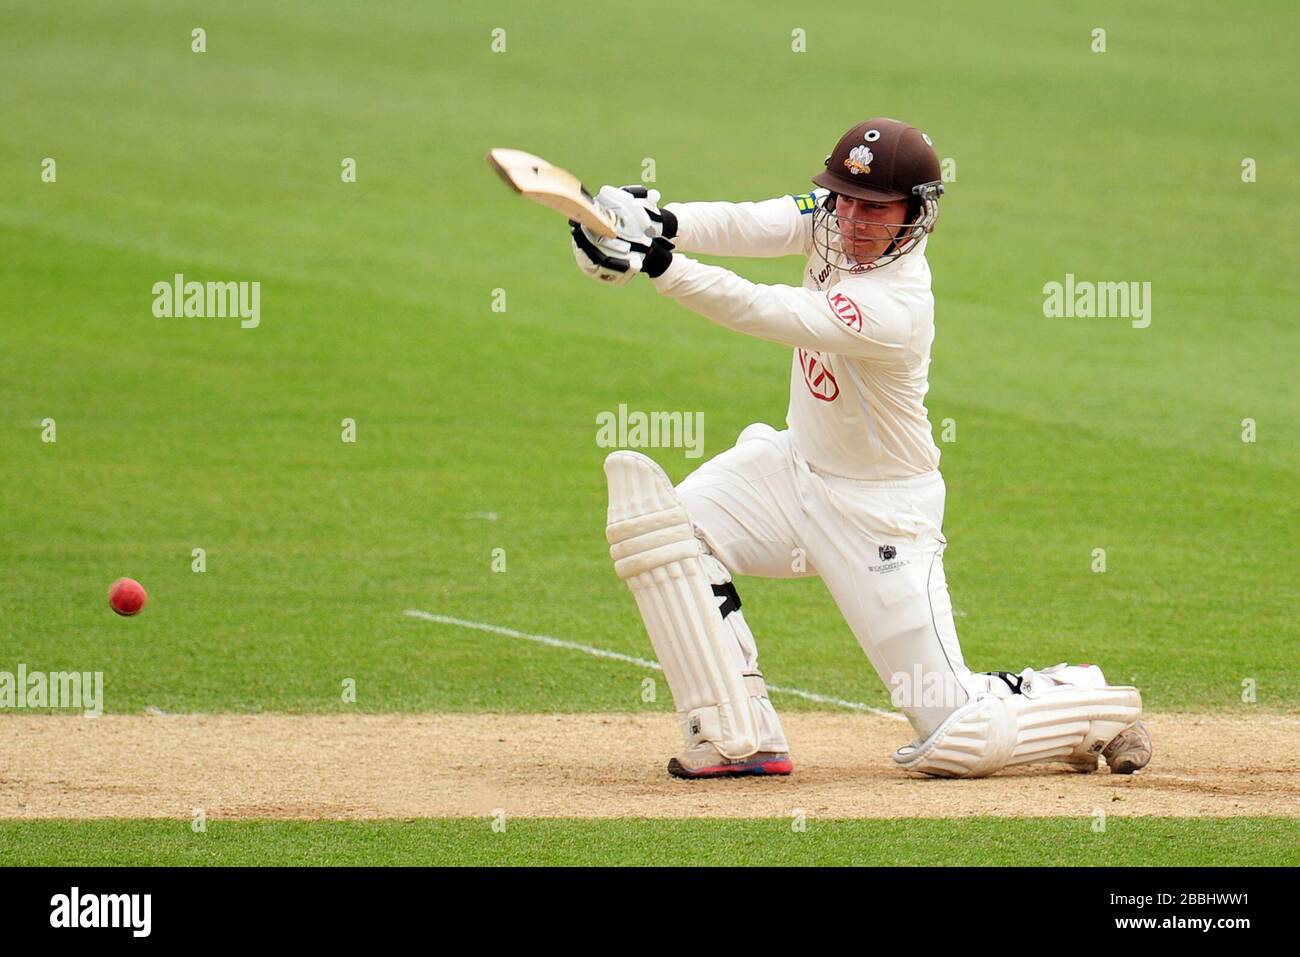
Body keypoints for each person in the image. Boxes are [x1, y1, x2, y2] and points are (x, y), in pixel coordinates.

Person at [571, 118, 1152, 779]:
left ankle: (1087, 697)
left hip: (882, 516)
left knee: (959, 735)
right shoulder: (832, 217)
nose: (850, 217)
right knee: (666, 531)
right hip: (792, 473)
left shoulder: (895, 305)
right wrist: (661, 221)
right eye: (844, 197)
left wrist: (655, 261)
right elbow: (753, 222)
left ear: (916, 214)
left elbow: (769, 311)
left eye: (874, 206)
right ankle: (739, 733)